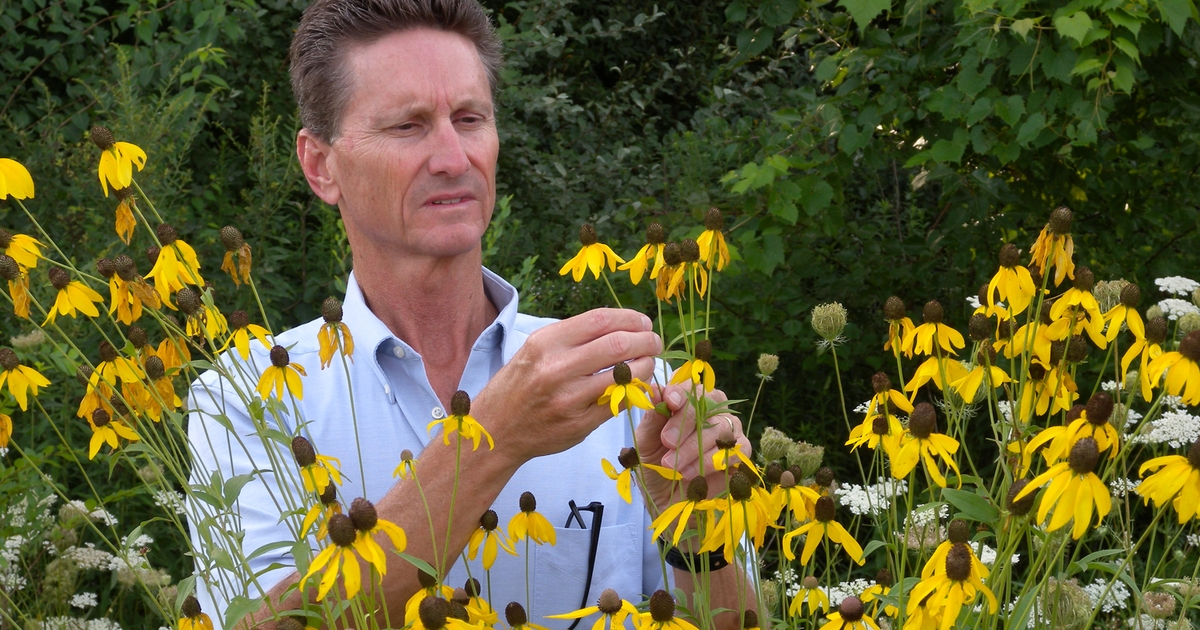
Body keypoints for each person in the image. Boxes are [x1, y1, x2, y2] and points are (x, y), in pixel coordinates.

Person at [186, 0, 755, 627]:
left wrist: (699, 531)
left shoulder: (612, 384)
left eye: (469, 118)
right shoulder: (242, 398)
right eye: (408, 126)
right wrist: (492, 438)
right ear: (321, 165)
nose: (454, 158)